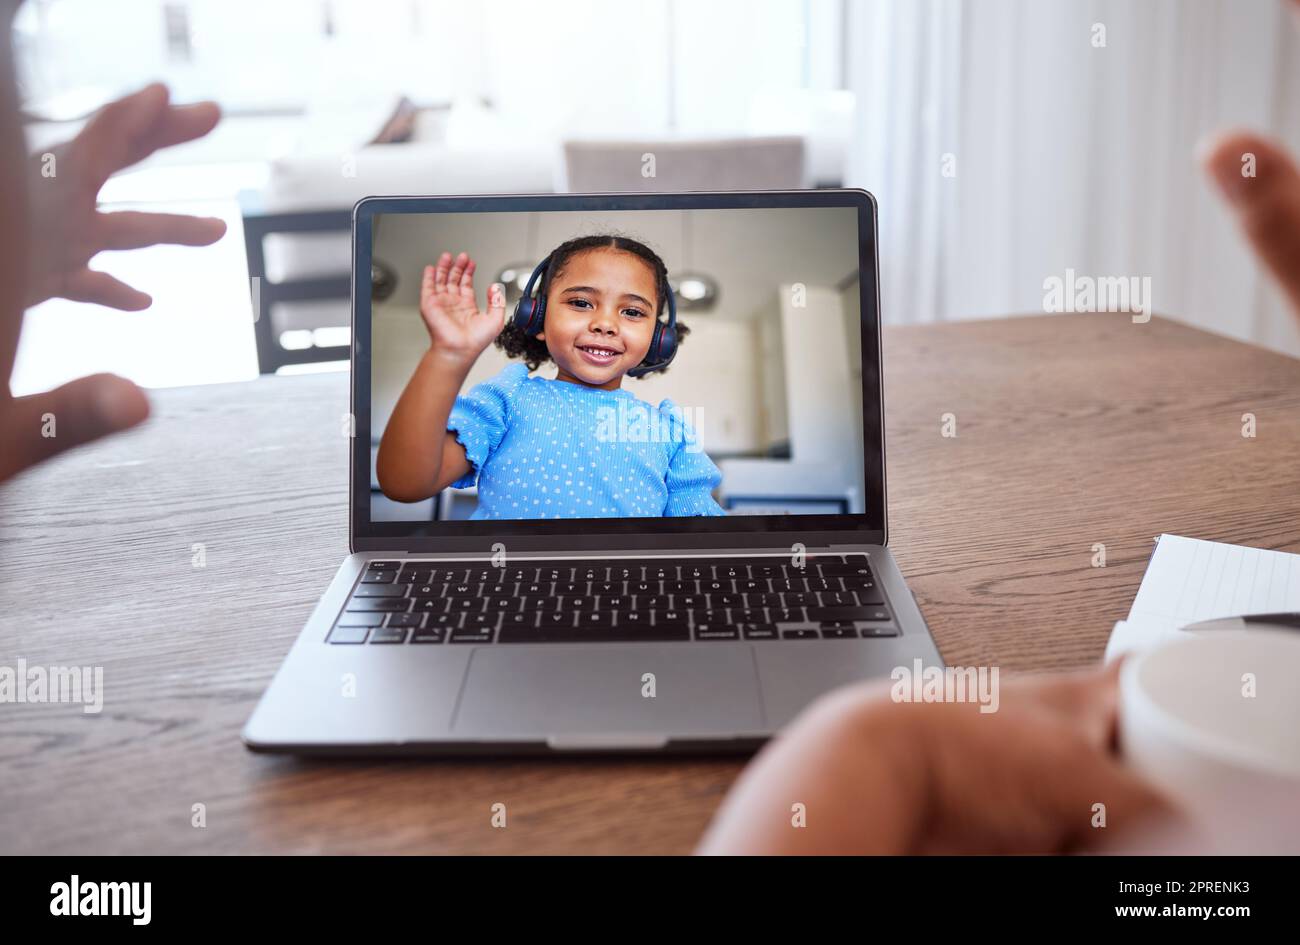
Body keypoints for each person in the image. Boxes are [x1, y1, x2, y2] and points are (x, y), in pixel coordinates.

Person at [376, 237, 723, 519]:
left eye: (632, 312)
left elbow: (701, 541)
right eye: (581, 303)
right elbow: (405, 483)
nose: (605, 324)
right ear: (537, 317)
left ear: (658, 337)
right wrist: (448, 355)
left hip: (624, 595)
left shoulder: (669, 431)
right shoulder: (508, 400)